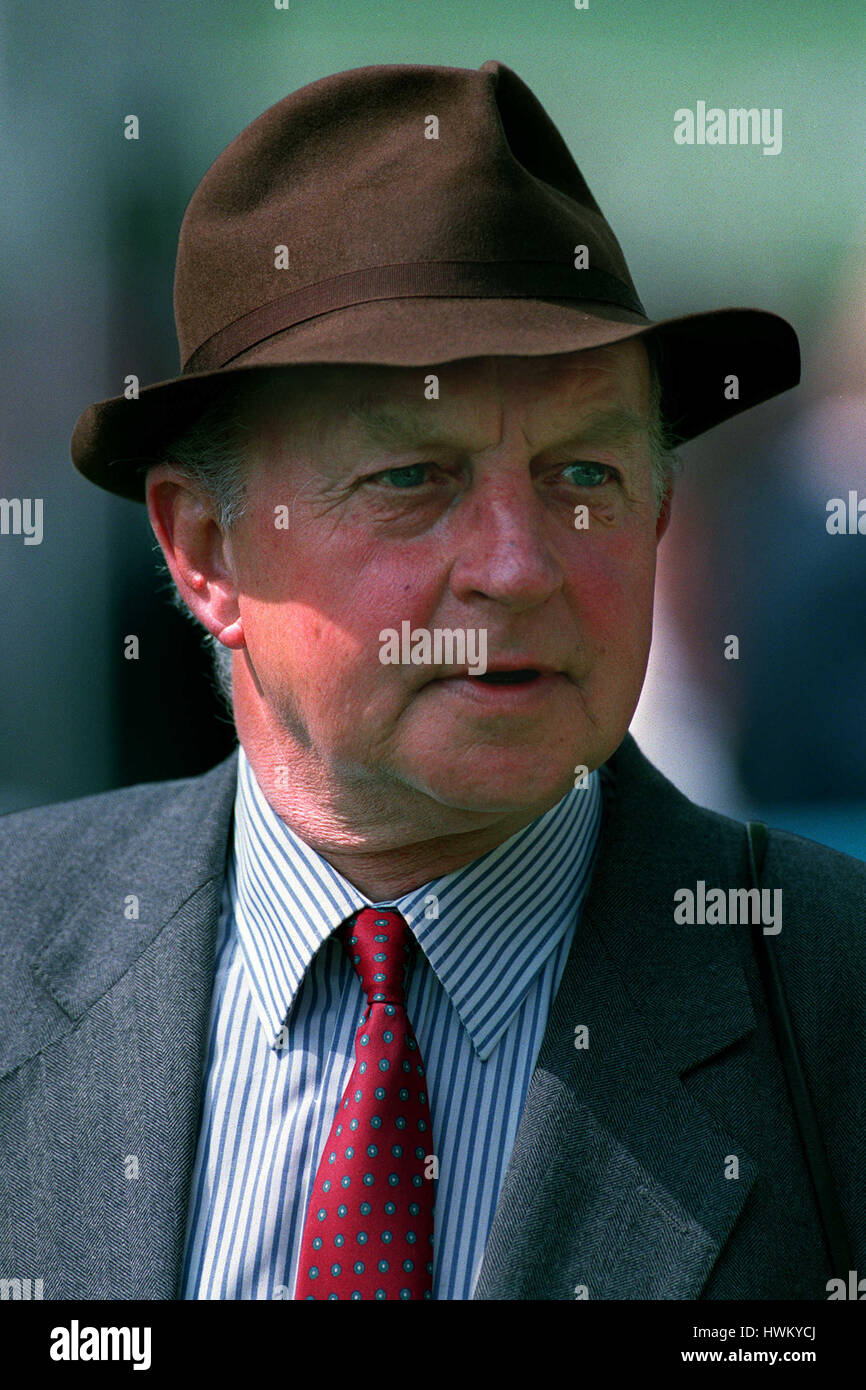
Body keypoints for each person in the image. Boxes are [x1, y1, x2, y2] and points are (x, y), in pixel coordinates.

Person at [0, 59, 863, 1302]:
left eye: (584, 476)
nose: (517, 566)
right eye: (412, 479)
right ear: (204, 552)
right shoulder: (25, 960)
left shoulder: (828, 1011)